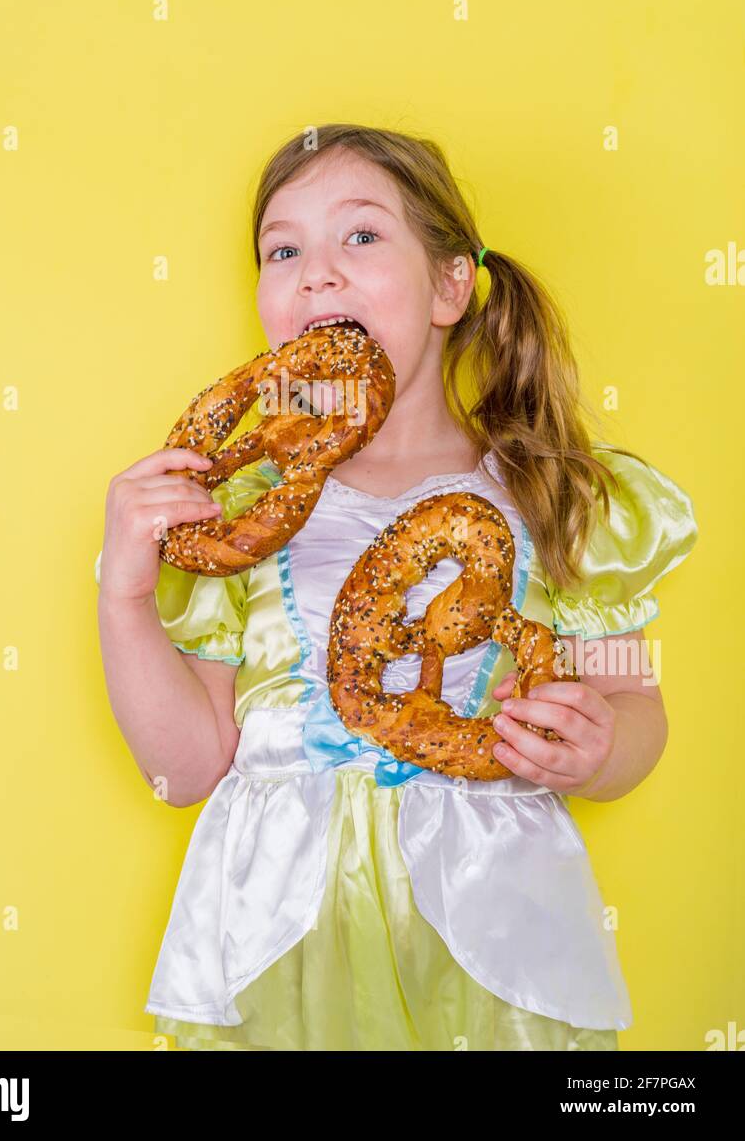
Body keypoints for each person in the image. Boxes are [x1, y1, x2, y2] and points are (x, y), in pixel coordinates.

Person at [95, 124, 698, 1051]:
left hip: (494, 934)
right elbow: (182, 773)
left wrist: (604, 743)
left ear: (450, 285)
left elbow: (634, 699)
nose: (316, 273)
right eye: (282, 249)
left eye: (362, 236)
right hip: (280, 936)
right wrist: (126, 597)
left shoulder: (557, 492)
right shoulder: (230, 512)